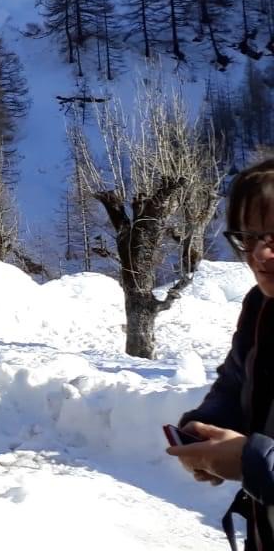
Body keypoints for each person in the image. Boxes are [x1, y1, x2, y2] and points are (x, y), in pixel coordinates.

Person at [171, 158, 274, 549]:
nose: (259, 254)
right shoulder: (261, 306)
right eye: (249, 237)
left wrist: (250, 459)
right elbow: (236, 381)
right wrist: (207, 424)